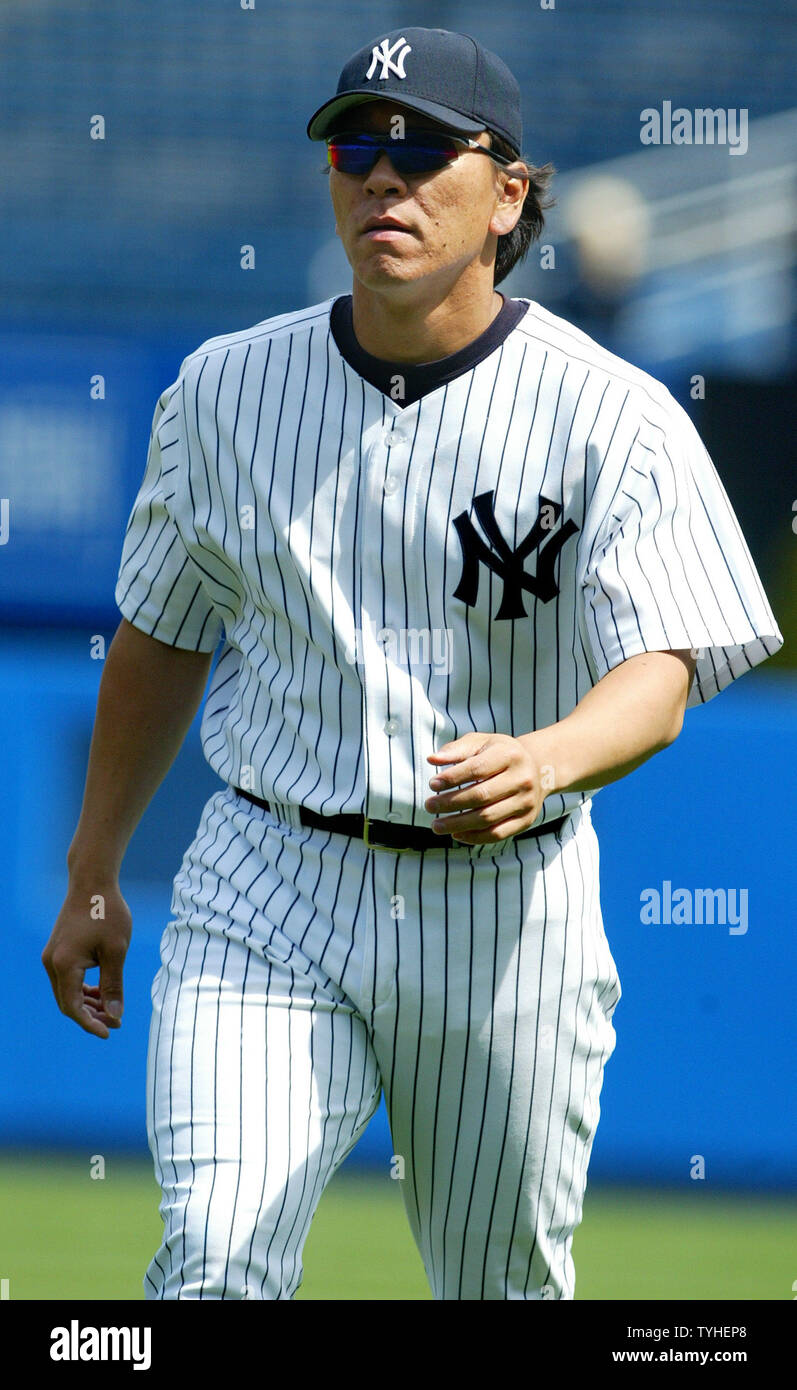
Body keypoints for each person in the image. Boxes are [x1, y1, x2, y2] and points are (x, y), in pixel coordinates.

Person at [42, 27, 782, 1300]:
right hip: (269, 883)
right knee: (214, 1261)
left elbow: (661, 666)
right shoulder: (223, 391)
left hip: (506, 904)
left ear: (506, 196)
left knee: (499, 1291)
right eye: (357, 146)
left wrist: (545, 758)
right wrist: (96, 866)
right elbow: (161, 632)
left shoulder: (612, 412)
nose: (383, 177)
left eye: (424, 149)